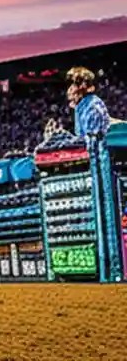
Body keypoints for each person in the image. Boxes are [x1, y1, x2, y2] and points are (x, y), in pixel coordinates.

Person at [66, 66, 121, 281]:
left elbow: (90, 139)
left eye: (72, 85)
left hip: (101, 163)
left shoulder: (93, 106)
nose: (69, 90)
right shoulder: (81, 107)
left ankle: (112, 269)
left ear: (81, 87)